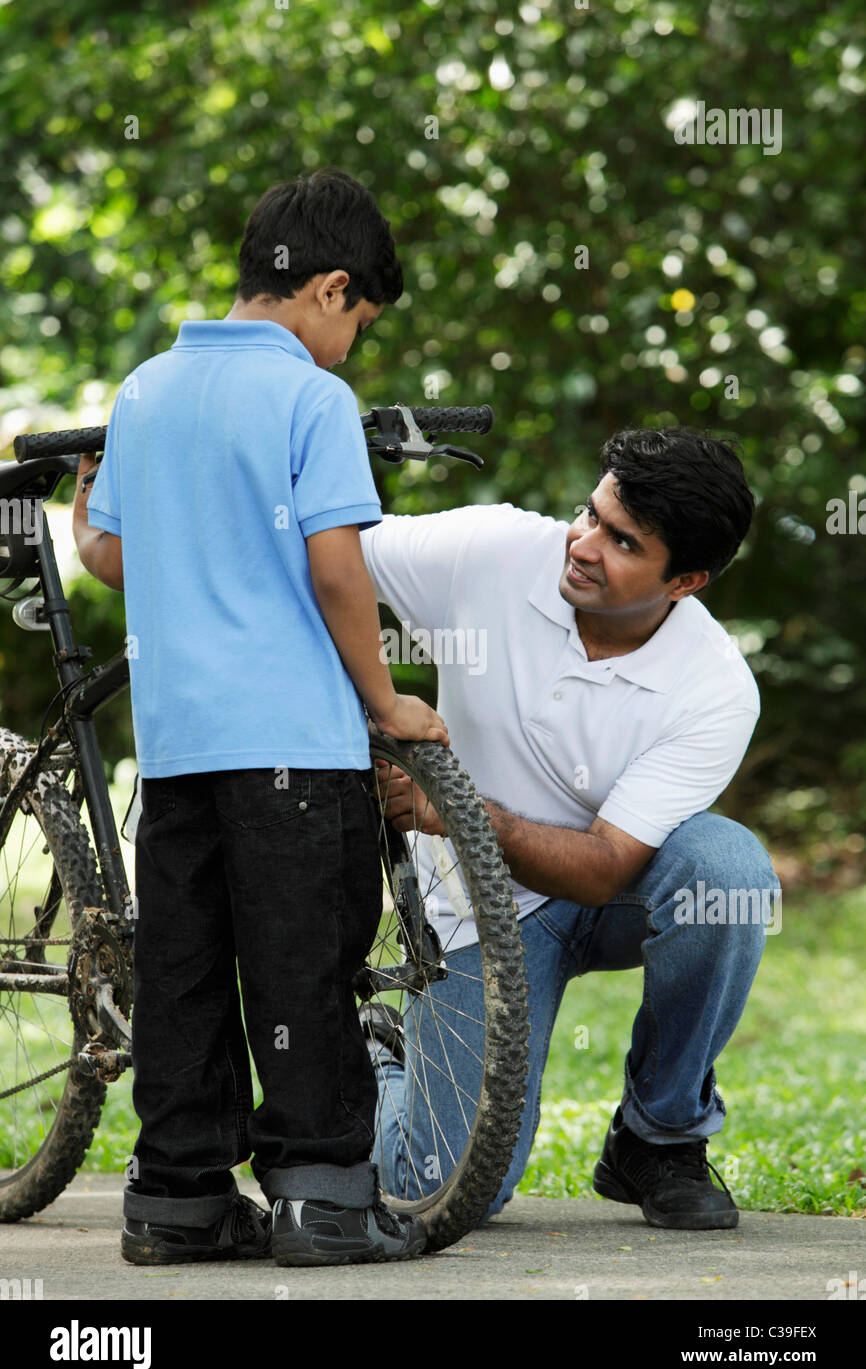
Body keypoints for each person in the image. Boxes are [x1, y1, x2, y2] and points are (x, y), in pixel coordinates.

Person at [72, 168, 448, 1267]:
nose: (351, 351)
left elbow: (115, 559)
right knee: (299, 966)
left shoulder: (144, 388)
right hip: (289, 740)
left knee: (183, 967)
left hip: (180, 749)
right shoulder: (309, 399)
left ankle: (176, 1200)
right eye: (359, 325)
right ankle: (322, 1198)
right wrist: (385, 699)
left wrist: (89, 506)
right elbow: (337, 567)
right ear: (330, 288)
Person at [360, 426, 781, 1231]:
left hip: (611, 891)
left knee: (729, 874)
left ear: (684, 580)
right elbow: (333, 555)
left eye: (622, 542)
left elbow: (602, 869)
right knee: (449, 1189)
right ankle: (383, 1058)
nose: (584, 546)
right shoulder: (495, 548)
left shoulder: (716, 687)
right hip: (474, 905)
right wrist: (368, 696)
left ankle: (659, 1137)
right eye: (590, 515)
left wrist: (457, 812)